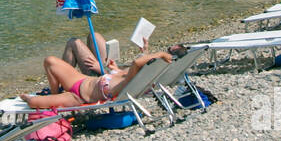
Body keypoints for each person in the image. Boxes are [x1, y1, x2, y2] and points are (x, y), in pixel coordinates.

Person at [24, 49, 173, 109]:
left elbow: (136, 62)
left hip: (78, 97)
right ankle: (55, 95)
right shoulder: (129, 76)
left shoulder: (132, 80)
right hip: (82, 79)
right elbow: (138, 63)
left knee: (32, 102)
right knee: (49, 61)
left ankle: (54, 99)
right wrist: (114, 69)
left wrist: (160, 54)